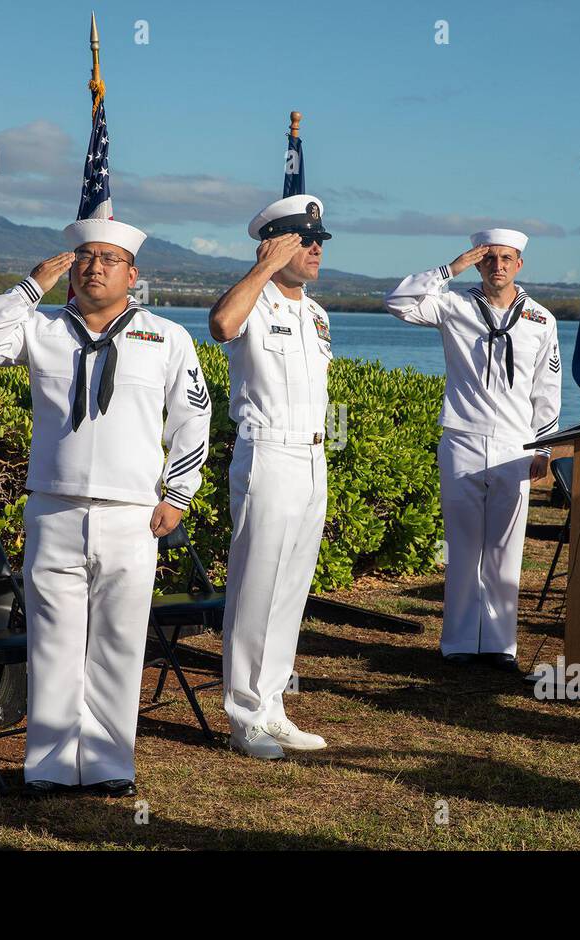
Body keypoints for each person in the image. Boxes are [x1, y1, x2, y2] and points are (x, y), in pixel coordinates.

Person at [0, 217, 211, 797]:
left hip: (133, 512)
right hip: (54, 506)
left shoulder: (166, 337)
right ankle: (47, 765)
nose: (93, 266)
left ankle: (107, 763)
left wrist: (178, 494)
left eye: (108, 259)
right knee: (52, 640)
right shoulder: (41, 330)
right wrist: (28, 288)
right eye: (84, 258)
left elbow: (192, 418)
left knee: (119, 642)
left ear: (132, 273)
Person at [384, 229, 561, 671]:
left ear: (520, 264)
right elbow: (398, 302)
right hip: (462, 438)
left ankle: (500, 644)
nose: (497, 266)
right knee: (463, 545)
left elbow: (547, 387)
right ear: (479, 263)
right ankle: (460, 642)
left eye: (506, 258)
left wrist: (546, 444)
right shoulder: (454, 304)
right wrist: (450, 268)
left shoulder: (541, 319)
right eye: (488, 259)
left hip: (516, 445)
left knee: (506, 548)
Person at [207, 194, 334, 760]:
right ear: (274, 244)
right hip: (268, 453)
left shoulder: (318, 314)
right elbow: (220, 324)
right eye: (303, 241)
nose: (315, 250)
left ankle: (273, 706)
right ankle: (242, 714)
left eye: (318, 241)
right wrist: (260, 268)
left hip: (312, 457)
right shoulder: (252, 302)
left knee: (291, 590)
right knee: (257, 586)